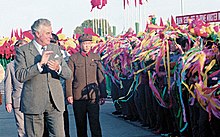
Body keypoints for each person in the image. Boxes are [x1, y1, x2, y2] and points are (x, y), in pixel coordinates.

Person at [14, 18, 72, 137]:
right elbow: (20, 76)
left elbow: (68, 74)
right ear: (36, 34)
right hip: (33, 103)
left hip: (55, 102)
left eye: (50, 32)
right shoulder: (23, 51)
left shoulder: (55, 48)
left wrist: (58, 68)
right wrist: (39, 65)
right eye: (47, 33)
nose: (50, 36)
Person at [66, 34, 107, 137]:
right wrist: (69, 94)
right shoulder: (73, 58)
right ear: (80, 45)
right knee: (80, 125)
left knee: (95, 124)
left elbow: (101, 77)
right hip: (78, 96)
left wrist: (103, 94)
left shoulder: (96, 57)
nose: (87, 46)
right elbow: (69, 77)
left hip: (93, 96)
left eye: (89, 43)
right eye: (84, 44)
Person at [4, 39, 28, 137]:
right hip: (18, 100)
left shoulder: (34, 63)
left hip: (33, 100)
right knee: (21, 128)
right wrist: (8, 102)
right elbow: (8, 85)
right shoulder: (10, 66)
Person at [50, 33, 71, 137]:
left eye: (53, 42)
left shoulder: (65, 55)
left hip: (61, 92)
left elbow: (69, 75)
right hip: (48, 94)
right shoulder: (43, 54)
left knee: (63, 120)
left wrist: (69, 94)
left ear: (57, 42)